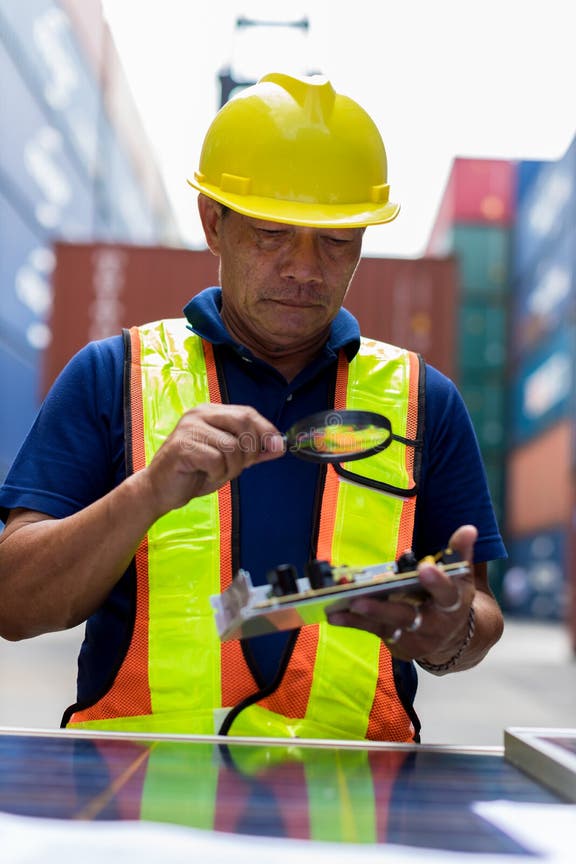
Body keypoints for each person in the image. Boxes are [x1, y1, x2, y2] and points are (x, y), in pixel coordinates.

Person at [0, 72, 505, 741]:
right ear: (214, 221)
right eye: (272, 233)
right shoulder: (110, 377)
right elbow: (14, 604)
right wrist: (146, 493)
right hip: (138, 804)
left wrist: (449, 633)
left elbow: (478, 612)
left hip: (352, 814)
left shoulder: (425, 403)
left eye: (335, 239)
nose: (305, 268)